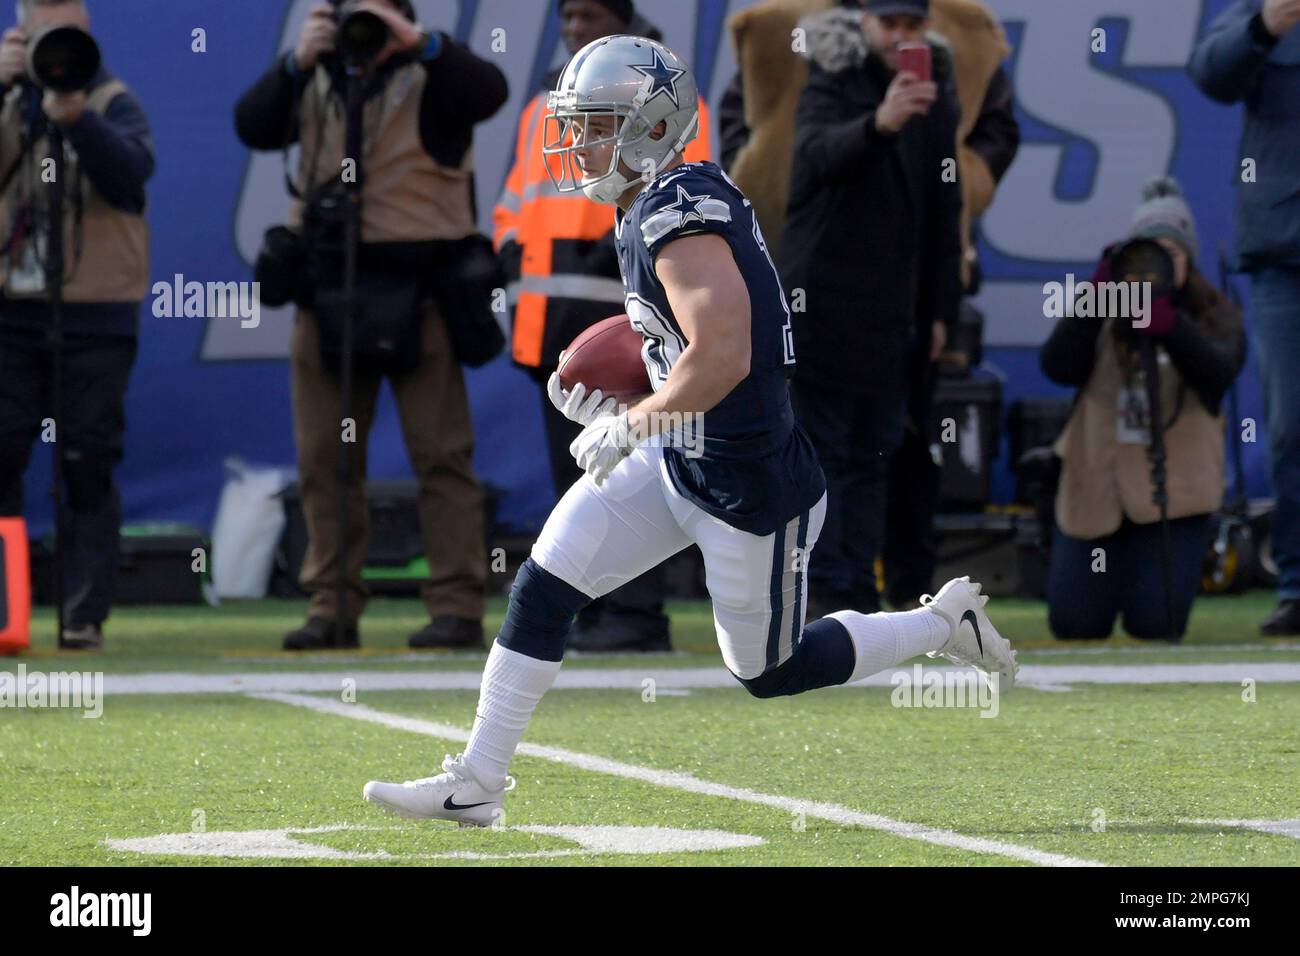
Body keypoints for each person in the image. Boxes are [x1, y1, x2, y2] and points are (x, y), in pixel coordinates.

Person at [362, 35, 1017, 825]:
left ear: (652, 125)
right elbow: (684, 347)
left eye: (598, 124)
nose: (579, 142)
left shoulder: (677, 211)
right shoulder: (655, 198)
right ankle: (477, 781)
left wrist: (634, 421)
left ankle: (941, 622)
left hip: (748, 484)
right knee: (544, 584)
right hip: (682, 456)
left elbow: (725, 355)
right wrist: (634, 398)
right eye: (578, 124)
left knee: (770, 671)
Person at [234, 0, 507, 651]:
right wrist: (296, 62)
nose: (363, 32)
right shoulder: (316, 75)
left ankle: (457, 607)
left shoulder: (435, 72)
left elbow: (488, 92)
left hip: (423, 288)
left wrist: (419, 43)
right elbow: (253, 125)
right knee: (324, 458)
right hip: (330, 285)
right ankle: (331, 606)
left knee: (442, 455)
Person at [493, 0, 712, 653]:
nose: (574, 27)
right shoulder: (547, 102)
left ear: (623, 20)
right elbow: (515, 201)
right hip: (550, 321)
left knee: (631, 474)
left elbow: (683, 190)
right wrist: (509, 252)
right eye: (568, 16)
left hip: (620, 322)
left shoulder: (664, 97)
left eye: (589, 15)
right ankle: (590, 610)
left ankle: (637, 616)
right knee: (580, 476)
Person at [778, 0, 963, 617]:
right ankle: (825, 594)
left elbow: (944, 211)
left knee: (874, 456)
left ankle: (856, 590)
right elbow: (813, 158)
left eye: (913, 24)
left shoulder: (935, 93)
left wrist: (940, 311)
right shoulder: (834, 75)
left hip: (891, 314)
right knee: (824, 453)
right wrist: (880, 124)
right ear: (864, 21)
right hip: (824, 305)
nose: (901, 36)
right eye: (891, 24)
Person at [0, 0, 154, 650]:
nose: (58, 46)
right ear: (22, 29)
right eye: (46, 32)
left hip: (96, 310)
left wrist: (78, 119)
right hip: (12, 306)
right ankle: (6, 610)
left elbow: (131, 177)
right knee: (2, 448)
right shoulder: (8, 95)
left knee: (87, 456)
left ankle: (83, 613)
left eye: (70, 31)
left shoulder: (113, 100)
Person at [1041, 179, 1246, 640]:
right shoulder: (1102, 311)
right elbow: (1057, 366)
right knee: (1075, 624)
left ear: (1188, 259)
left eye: (1169, 253)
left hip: (1175, 494)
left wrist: (1171, 327)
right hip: (1098, 485)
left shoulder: (1214, 314)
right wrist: (1095, 297)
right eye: (1144, 253)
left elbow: (1219, 373)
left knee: (1156, 624)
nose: (1154, 266)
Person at [1189, 0, 1300, 635]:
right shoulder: (1265, 10)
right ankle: (1297, 585)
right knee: (1291, 426)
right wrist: (1265, 27)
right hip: (1284, 253)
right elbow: (1211, 72)